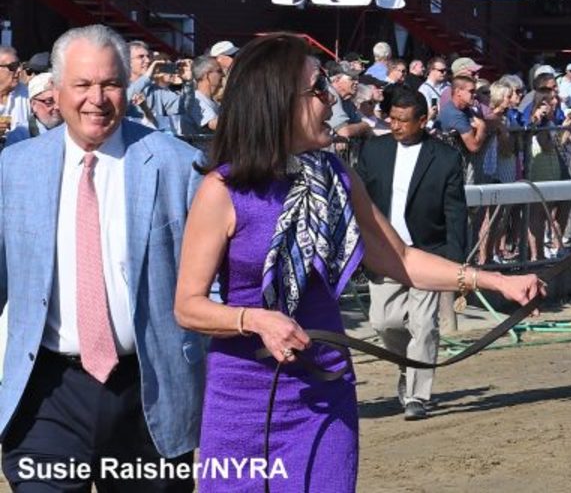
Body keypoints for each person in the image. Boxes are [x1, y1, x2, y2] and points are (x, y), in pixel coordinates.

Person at [173, 34, 543, 492]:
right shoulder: (221, 192)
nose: (331, 101)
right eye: (317, 91)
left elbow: (401, 259)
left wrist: (492, 280)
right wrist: (254, 320)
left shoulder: (337, 179)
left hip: (325, 398)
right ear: (278, 103)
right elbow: (188, 307)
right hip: (242, 404)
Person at [0, 24, 206, 490]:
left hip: (149, 394)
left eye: (110, 83)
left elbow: (212, 278)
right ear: (55, 89)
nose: (98, 98)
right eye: (83, 84)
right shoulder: (15, 167)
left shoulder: (177, 163)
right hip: (47, 394)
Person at [355, 86, 467, 421]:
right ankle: (408, 366)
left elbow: (455, 212)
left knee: (424, 325)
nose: (396, 125)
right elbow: (359, 201)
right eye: (392, 119)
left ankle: (418, 394)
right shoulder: (373, 151)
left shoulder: (446, 157)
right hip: (384, 252)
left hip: (428, 251)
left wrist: (455, 263)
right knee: (384, 322)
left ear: (422, 120)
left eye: (404, 120)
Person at [2, 72, 61, 144]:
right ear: (33, 105)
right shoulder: (21, 136)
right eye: (49, 101)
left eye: (60, 100)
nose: (57, 106)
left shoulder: (73, 129)